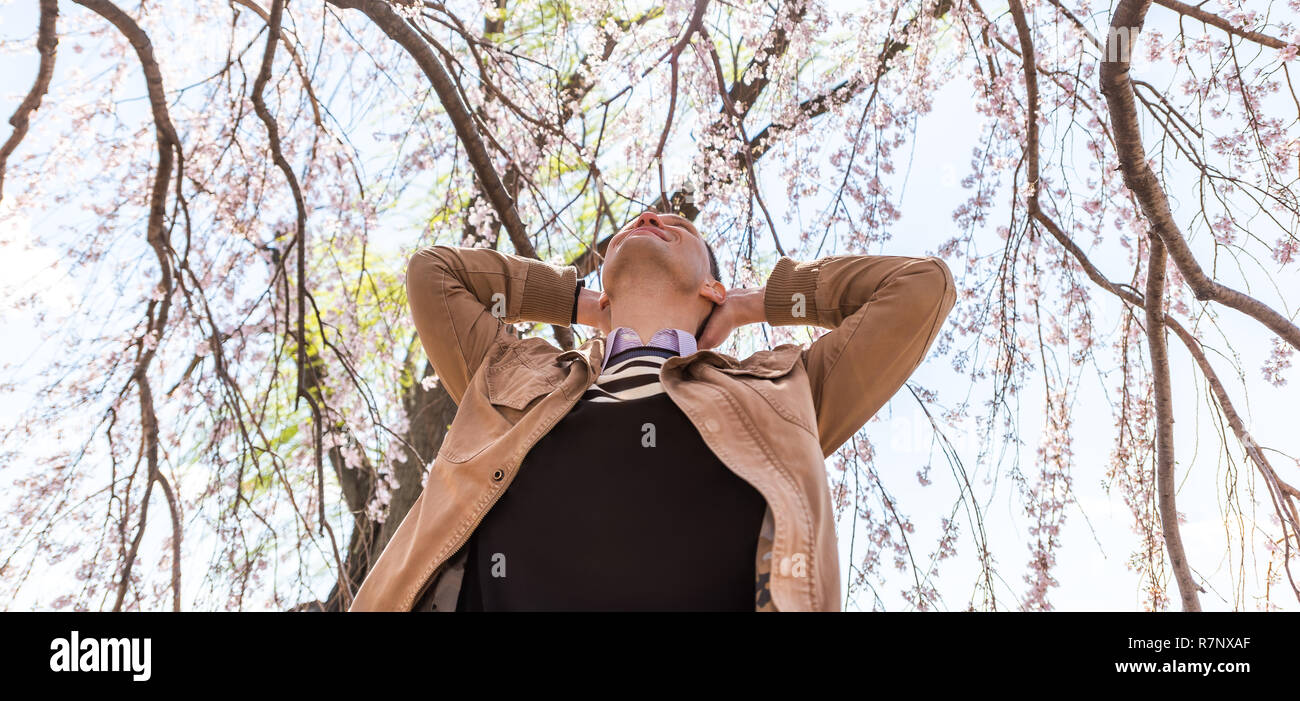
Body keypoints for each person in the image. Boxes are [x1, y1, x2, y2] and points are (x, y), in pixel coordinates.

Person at [349, 209, 956, 611]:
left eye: (676, 225)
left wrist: (752, 303)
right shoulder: (512, 380)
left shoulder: (784, 394)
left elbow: (917, 288)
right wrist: (581, 302)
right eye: (635, 224)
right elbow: (436, 275)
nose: (648, 218)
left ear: (712, 286)